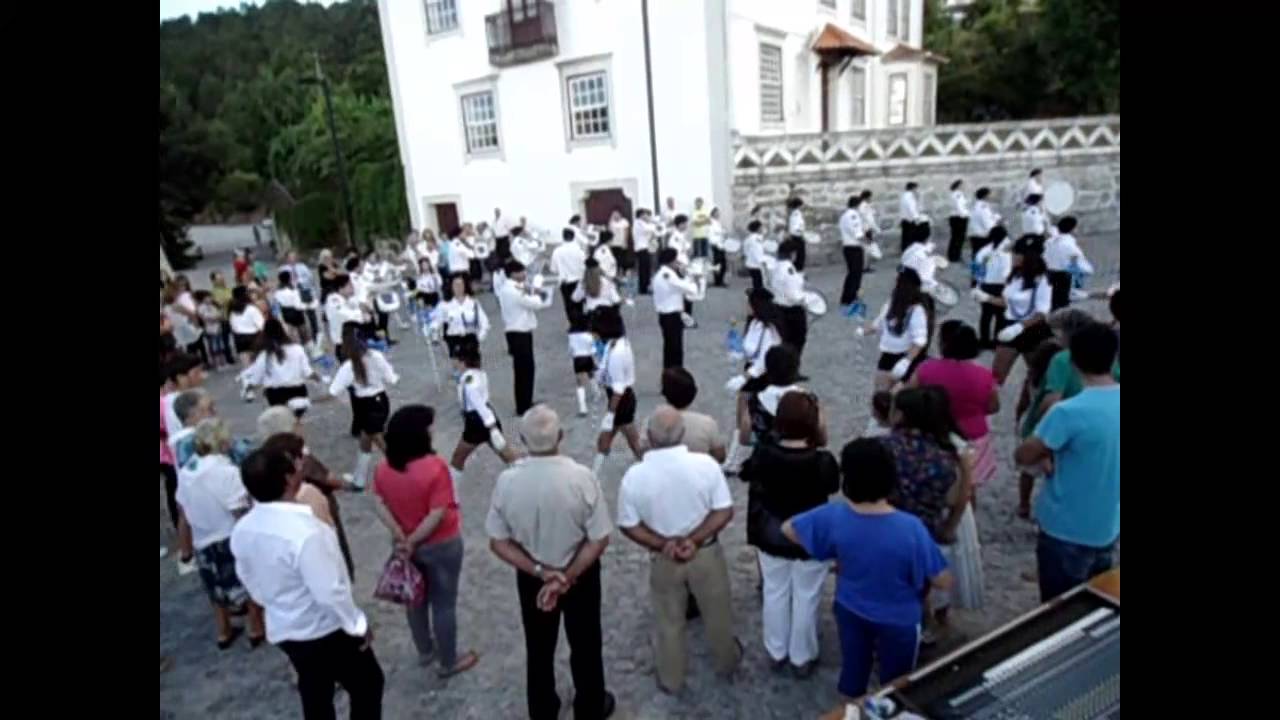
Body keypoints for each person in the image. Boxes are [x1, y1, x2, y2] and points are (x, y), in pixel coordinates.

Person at [782, 438, 952, 700]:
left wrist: (831, 553)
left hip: (851, 607)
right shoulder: (911, 528)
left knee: (854, 667)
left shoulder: (834, 517)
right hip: (899, 617)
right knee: (897, 681)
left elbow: (789, 528)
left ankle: (854, 707)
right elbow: (942, 580)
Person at [484, 406, 616, 719]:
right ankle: (590, 705)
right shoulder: (581, 477)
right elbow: (599, 538)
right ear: (561, 437)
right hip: (579, 573)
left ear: (523, 440)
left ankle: (543, 709)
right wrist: (567, 576)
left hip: (534, 576)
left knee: (539, 647)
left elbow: (498, 541)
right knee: (585, 643)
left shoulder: (507, 482)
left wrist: (543, 572)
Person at [233, 447, 385, 720]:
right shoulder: (306, 533)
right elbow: (329, 592)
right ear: (289, 478)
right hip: (324, 629)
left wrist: (276, 603)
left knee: (315, 689)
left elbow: (249, 579)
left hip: (286, 628)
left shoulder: (243, 529)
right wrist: (357, 625)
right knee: (367, 684)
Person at [617, 407, 743, 693]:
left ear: (648, 436)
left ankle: (672, 677)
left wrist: (663, 543)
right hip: (705, 551)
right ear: (682, 434)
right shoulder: (706, 466)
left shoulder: (634, 476)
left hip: (664, 557)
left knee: (668, 619)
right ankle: (727, 661)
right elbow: (723, 511)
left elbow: (628, 524)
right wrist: (695, 539)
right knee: (718, 612)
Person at [367, 405, 480, 678]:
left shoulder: (384, 468)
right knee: (444, 603)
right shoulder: (435, 467)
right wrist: (415, 539)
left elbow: (377, 501)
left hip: (404, 543)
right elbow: (437, 513)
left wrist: (399, 535)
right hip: (440, 543)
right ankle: (449, 660)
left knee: (414, 600)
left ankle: (425, 650)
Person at [1014, 323, 1120, 601]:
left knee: (1057, 608)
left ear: (1072, 360)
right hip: (1107, 524)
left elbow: (1024, 455)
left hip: (1065, 527)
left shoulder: (1068, 413)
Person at [741, 392, 838, 677]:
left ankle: (776, 649)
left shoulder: (763, 454)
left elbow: (748, 474)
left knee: (775, 591)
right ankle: (801, 655)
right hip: (810, 539)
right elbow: (833, 487)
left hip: (771, 536)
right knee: (807, 596)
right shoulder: (822, 462)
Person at [882, 387, 984, 630]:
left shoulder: (885, 447)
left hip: (888, 527)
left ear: (902, 415)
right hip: (927, 529)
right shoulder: (946, 455)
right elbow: (956, 498)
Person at [175, 418, 267, 649]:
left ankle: (223, 631)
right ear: (222, 442)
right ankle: (255, 627)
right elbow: (239, 510)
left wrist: (185, 549)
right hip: (228, 535)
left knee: (215, 589)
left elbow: (183, 513)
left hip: (202, 539)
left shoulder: (187, 471)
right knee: (246, 584)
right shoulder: (226, 472)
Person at [258, 410, 355, 578]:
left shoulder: (266, 456)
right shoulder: (298, 456)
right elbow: (326, 478)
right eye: (296, 424)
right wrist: (349, 483)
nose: (301, 426)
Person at [912, 320, 1000, 493]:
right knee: (967, 489)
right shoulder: (984, 375)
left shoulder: (926, 369)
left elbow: (910, 396)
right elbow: (993, 407)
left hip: (934, 431)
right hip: (972, 434)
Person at [974, 235, 1053, 385]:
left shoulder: (1042, 280)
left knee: (1038, 376)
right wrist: (986, 298)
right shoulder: (1015, 275)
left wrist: (1019, 327)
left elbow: (1042, 312)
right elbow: (1009, 302)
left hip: (1032, 330)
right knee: (996, 375)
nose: (1012, 256)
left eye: (1016, 254)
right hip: (1008, 324)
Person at [329, 323, 399, 491]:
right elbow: (391, 379)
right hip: (380, 400)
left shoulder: (349, 366)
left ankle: (403, 473)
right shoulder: (377, 356)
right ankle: (359, 478)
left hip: (365, 405)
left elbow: (334, 390)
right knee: (365, 439)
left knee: (381, 443)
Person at [723, 288, 785, 473]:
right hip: (749, 371)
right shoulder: (754, 324)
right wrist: (737, 352)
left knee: (750, 417)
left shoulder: (770, 330)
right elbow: (750, 348)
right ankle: (739, 454)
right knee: (741, 413)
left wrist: (744, 377)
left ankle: (740, 458)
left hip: (761, 376)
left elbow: (764, 360)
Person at [449, 342, 520, 484]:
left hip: (477, 421)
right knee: (505, 453)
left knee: (458, 458)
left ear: (462, 361)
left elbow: (479, 406)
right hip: (483, 418)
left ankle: (452, 492)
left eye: (455, 358)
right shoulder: (477, 374)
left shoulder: (470, 381)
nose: (453, 361)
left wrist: (492, 427)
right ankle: (523, 475)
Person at [496, 260, 554, 416]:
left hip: (519, 331)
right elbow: (533, 303)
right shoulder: (513, 290)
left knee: (525, 369)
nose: (524, 274)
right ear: (513, 274)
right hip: (518, 332)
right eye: (521, 272)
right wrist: (540, 294)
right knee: (524, 369)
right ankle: (523, 405)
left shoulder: (512, 287)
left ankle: (526, 401)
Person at [590, 309, 643, 477]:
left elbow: (618, 387)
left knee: (617, 441)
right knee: (624, 441)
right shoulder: (616, 344)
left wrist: (611, 413)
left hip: (619, 401)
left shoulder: (617, 352)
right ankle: (594, 474)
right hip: (620, 400)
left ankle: (594, 476)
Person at [863, 267, 930, 390]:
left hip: (905, 356)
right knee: (880, 394)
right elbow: (880, 323)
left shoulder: (916, 311)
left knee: (899, 397)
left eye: (898, 281)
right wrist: (863, 331)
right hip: (888, 355)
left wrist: (906, 362)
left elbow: (920, 340)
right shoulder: (891, 303)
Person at [240, 318, 319, 412]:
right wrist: (317, 378)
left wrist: (248, 387)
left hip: (276, 395)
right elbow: (307, 372)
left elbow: (257, 378)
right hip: (298, 391)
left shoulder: (265, 355)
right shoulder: (297, 349)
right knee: (296, 421)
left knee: (282, 421)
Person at [649, 368, 726, 461]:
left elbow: (642, 452)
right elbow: (720, 456)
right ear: (693, 394)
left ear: (664, 394)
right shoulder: (707, 424)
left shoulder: (653, 422)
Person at [652, 248, 700, 370]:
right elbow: (691, 290)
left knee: (670, 350)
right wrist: (693, 278)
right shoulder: (668, 276)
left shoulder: (664, 274)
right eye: (675, 260)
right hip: (671, 316)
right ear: (670, 261)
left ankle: (670, 377)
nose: (677, 263)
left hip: (667, 315)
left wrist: (683, 275)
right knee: (675, 351)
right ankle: (675, 378)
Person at [440, 273, 490, 376]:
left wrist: (479, 337)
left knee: (475, 373)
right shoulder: (445, 305)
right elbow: (438, 323)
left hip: (471, 340)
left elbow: (484, 322)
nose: (458, 288)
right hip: (455, 342)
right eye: (455, 285)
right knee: (463, 376)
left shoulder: (473, 303)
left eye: (461, 284)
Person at [973, 226, 1012, 349]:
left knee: (986, 315)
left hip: (986, 285)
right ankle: (997, 341)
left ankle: (984, 340)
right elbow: (1007, 273)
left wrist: (977, 285)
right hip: (1001, 286)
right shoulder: (1007, 254)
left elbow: (976, 270)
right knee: (1000, 316)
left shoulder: (983, 251)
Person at [770, 239, 808, 365]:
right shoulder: (789, 269)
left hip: (778, 306)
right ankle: (792, 367)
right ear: (792, 254)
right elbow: (793, 293)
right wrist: (804, 300)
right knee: (797, 340)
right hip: (791, 309)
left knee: (784, 339)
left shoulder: (776, 266)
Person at [1043, 216, 1089, 310]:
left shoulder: (1048, 242)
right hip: (1063, 278)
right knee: (1062, 307)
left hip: (1048, 276)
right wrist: (1077, 288)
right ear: (1072, 230)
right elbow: (1076, 268)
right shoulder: (1070, 246)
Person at [229, 285, 266, 384]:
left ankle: (247, 386)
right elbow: (261, 325)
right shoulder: (251, 309)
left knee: (246, 365)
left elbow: (233, 326)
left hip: (239, 338)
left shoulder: (233, 311)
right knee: (258, 362)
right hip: (253, 337)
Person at [551, 227, 588, 322]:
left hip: (565, 282)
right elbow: (585, 267)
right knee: (579, 304)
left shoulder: (557, 251)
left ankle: (574, 325)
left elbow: (553, 269)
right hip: (578, 281)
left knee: (569, 305)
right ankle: (582, 323)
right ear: (573, 237)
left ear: (563, 237)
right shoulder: (580, 251)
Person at [838, 195, 867, 308]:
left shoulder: (844, 215)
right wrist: (868, 242)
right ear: (857, 205)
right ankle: (851, 297)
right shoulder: (853, 215)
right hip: (854, 247)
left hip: (848, 247)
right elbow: (857, 233)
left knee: (852, 273)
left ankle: (846, 296)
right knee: (856, 273)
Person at [274, 269, 312, 347]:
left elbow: (277, 304)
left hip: (286, 314)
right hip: (297, 314)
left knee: (293, 336)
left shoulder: (277, 292)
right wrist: (308, 306)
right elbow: (298, 305)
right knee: (304, 335)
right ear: (289, 279)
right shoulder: (293, 291)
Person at [195, 291, 226, 371]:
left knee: (221, 346)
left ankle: (223, 363)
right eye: (208, 297)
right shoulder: (201, 307)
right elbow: (207, 318)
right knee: (214, 347)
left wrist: (218, 316)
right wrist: (217, 317)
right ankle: (217, 364)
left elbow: (221, 315)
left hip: (218, 328)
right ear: (203, 299)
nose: (210, 299)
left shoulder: (213, 306)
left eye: (210, 297)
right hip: (210, 330)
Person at [967, 187, 1001, 260]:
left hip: (974, 234)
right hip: (982, 236)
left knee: (976, 254)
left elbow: (988, 216)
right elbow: (988, 224)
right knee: (983, 257)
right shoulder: (983, 207)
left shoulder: (977, 205)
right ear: (986, 196)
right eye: (991, 194)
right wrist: (998, 224)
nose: (992, 196)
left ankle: (976, 270)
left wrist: (996, 217)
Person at [633, 208, 659, 295]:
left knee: (646, 269)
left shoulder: (641, 223)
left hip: (645, 248)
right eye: (645, 214)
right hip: (641, 248)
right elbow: (648, 229)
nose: (647, 216)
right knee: (643, 269)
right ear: (641, 215)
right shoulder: (638, 222)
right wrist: (653, 223)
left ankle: (645, 287)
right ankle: (643, 289)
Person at [857, 190, 883, 272]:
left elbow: (871, 214)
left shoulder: (864, 205)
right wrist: (877, 230)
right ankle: (865, 267)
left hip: (865, 229)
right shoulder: (864, 206)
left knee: (867, 248)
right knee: (868, 249)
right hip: (866, 229)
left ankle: (866, 266)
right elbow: (869, 220)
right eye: (870, 197)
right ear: (867, 197)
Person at [899, 182, 926, 253]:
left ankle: (905, 252)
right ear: (913, 188)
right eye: (916, 188)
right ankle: (911, 254)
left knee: (905, 238)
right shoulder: (910, 196)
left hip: (904, 220)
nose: (917, 190)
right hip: (910, 220)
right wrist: (917, 218)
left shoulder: (904, 195)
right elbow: (912, 208)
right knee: (912, 238)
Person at [947, 179, 970, 262]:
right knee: (959, 238)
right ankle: (955, 256)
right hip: (959, 218)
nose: (964, 186)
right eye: (962, 185)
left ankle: (953, 255)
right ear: (959, 185)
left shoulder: (953, 194)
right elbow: (959, 207)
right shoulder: (958, 194)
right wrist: (965, 216)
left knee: (955, 237)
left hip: (955, 217)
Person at [743, 220, 766, 291]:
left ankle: (757, 298)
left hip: (751, 263)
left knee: (756, 282)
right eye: (762, 227)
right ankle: (757, 299)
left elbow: (745, 251)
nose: (763, 229)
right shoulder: (756, 239)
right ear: (758, 228)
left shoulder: (750, 238)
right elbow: (757, 252)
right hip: (756, 264)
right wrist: (763, 261)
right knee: (758, 284)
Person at [708, 207, 728, 288]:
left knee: (723, 264)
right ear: (713, 214)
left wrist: (724, 233)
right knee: (718, 264)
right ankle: (717, 281)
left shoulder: (718, 223)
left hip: (722, 245)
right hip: (716, 245)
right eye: (716, 212)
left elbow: (721, 233)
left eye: (718, 212)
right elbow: (710, 235)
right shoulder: (710, 223)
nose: (718, 214)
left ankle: (720, 280)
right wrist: (714, 243)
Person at [785, 197, 807, 271]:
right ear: (799, 205)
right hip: (798, 236)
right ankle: (797, 269)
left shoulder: (796, 213)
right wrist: (801, 234)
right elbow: (795, 228)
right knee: (800, 256)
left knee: (800, 255)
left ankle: (797, 268)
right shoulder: (796, 214)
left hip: (797, 235)